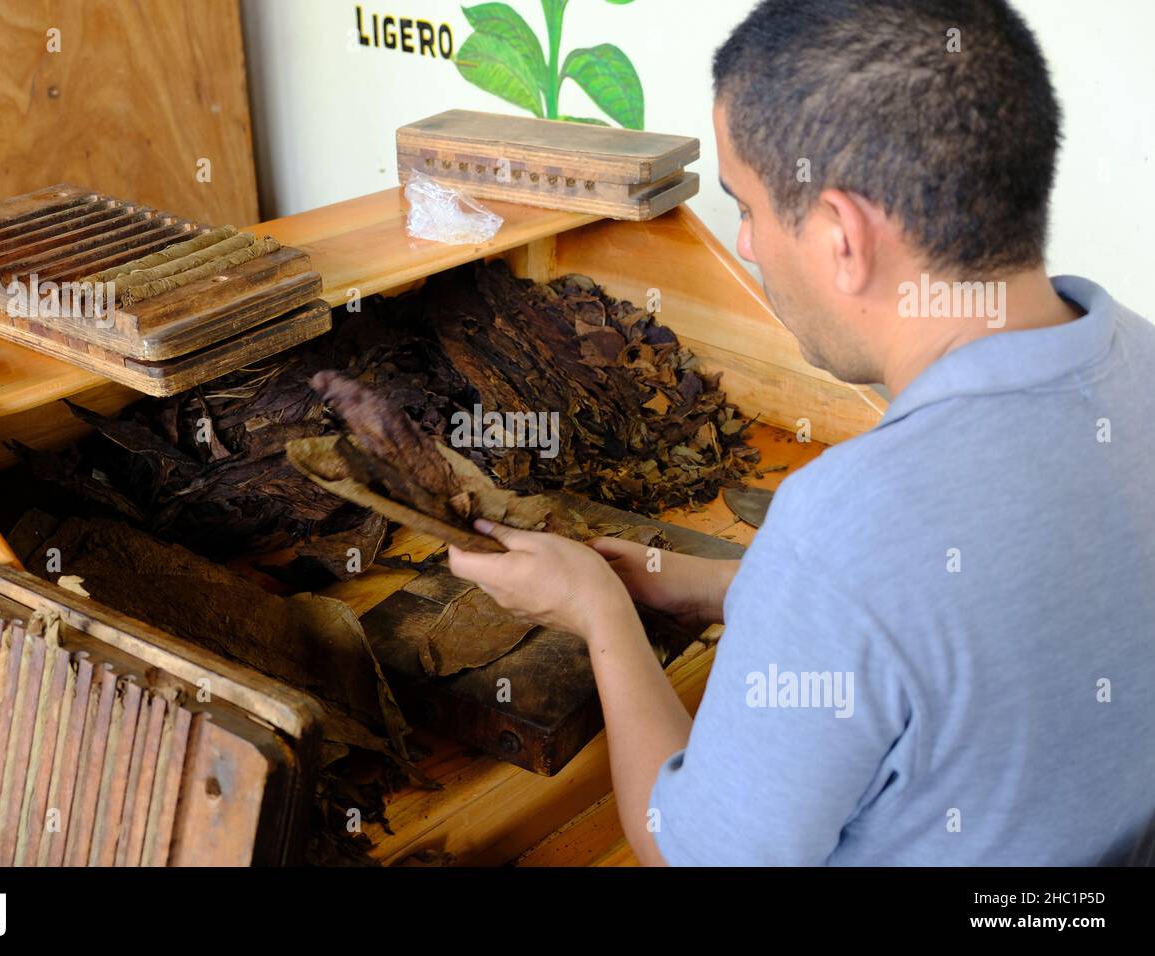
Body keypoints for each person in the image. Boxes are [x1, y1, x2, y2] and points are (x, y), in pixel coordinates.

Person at [447, 0, 1155, 866]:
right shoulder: (1142, 362)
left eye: (745, 207)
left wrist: (598, 611)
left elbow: (692, 850)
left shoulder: (848, 525)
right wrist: (729, 586)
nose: (743, 244)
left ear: (840, 234)